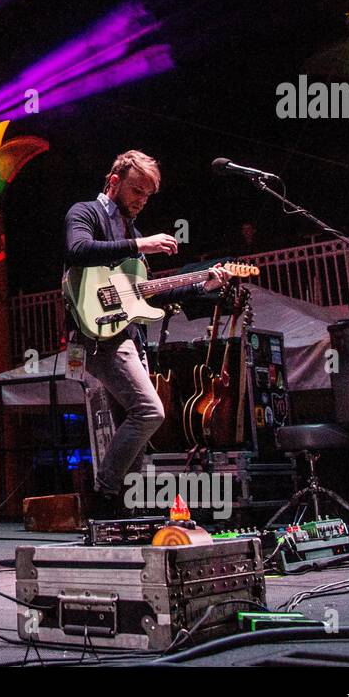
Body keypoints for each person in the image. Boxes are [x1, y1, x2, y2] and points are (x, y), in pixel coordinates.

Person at [63, 150, 231, 516]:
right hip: (99, 336)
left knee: (133, 426)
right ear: (114, 181)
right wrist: (142, 244)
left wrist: (204, 284)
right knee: (149, 411)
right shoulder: (86, 213)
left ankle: (125, 512)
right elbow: (77, 250)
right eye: (137, 191)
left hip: (129, 334)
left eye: (147, 195)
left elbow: (149, 292)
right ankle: (103, 492)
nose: (141, 201)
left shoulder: (131, 230)